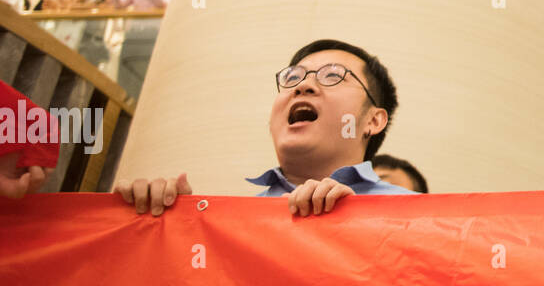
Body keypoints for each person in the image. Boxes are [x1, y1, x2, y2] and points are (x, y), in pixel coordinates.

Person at [110, 40, 414, 216]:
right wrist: (161, 227)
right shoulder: (222, 225)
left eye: (332, 76)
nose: (304, 85)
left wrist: (359, 224)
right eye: (293, 77)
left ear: (374, 120)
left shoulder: (414, 216)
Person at [112, 0, 175, 98]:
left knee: (146, 77)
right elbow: (120, 6)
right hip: (133, 35)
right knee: (125, 76)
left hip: (154, 36)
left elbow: (164, 5)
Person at [70, 0, 113, 67]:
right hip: (81, 35)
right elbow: (72, 7)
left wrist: (85, 7)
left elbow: (109, 6)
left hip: (97, 37)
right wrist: (91, 6)